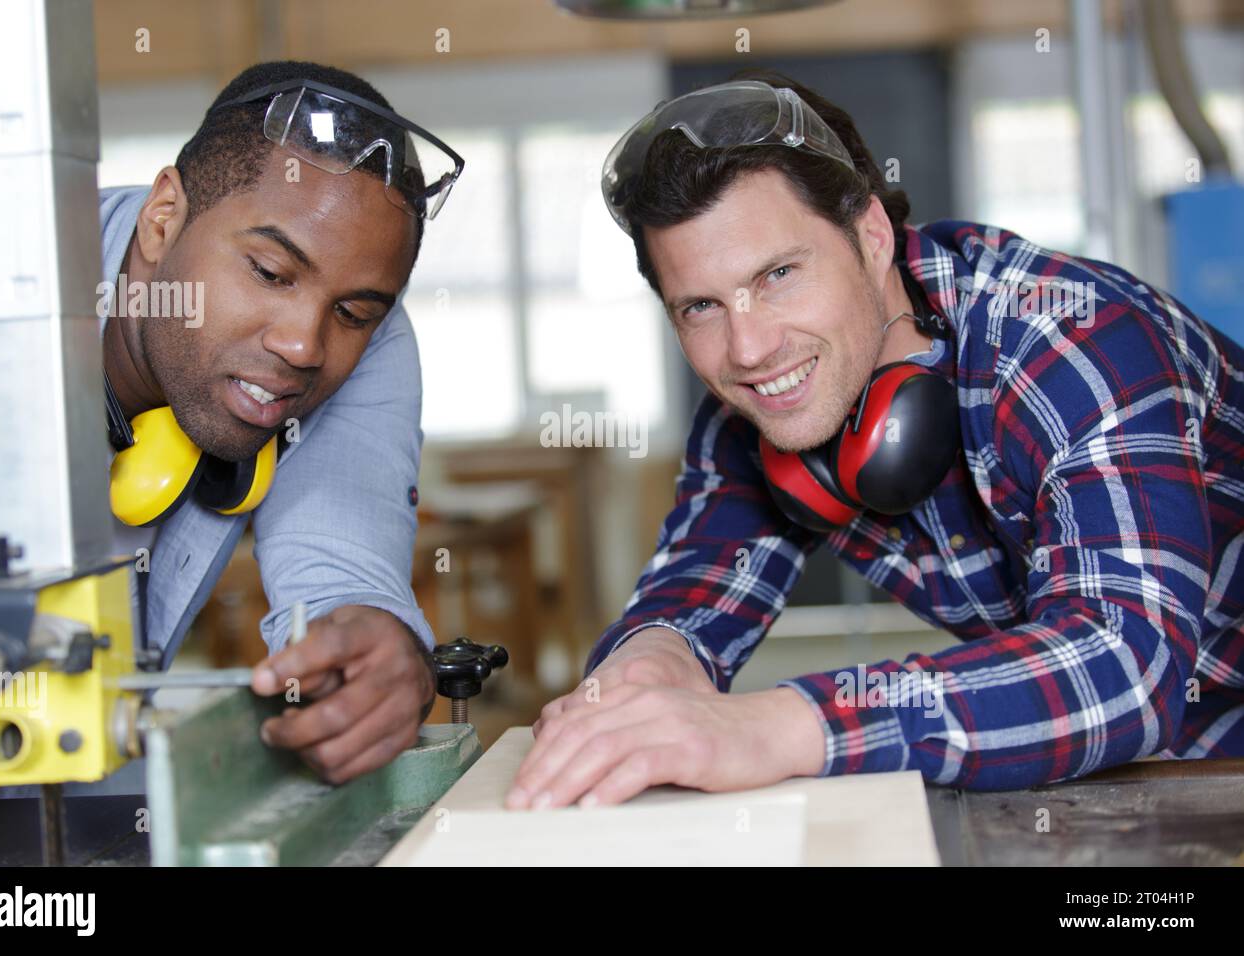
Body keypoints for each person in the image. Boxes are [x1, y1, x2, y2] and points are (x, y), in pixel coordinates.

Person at [509, 70, 1244, 810]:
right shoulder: (755, 401)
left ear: (870, 234)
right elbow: (697, 582)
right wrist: (651, 663)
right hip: (1148, 779)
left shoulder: (1071, 338)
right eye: (701, 305)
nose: (750, 348)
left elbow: (1124, 666)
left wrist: (775, 728)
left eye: (779, 274)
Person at [0, 59, 463, 827]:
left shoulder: (368, 344)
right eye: (269, 271)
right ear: (163, 221)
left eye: (353, 312)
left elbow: (341, 571)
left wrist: (379, 654)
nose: (303, 344)